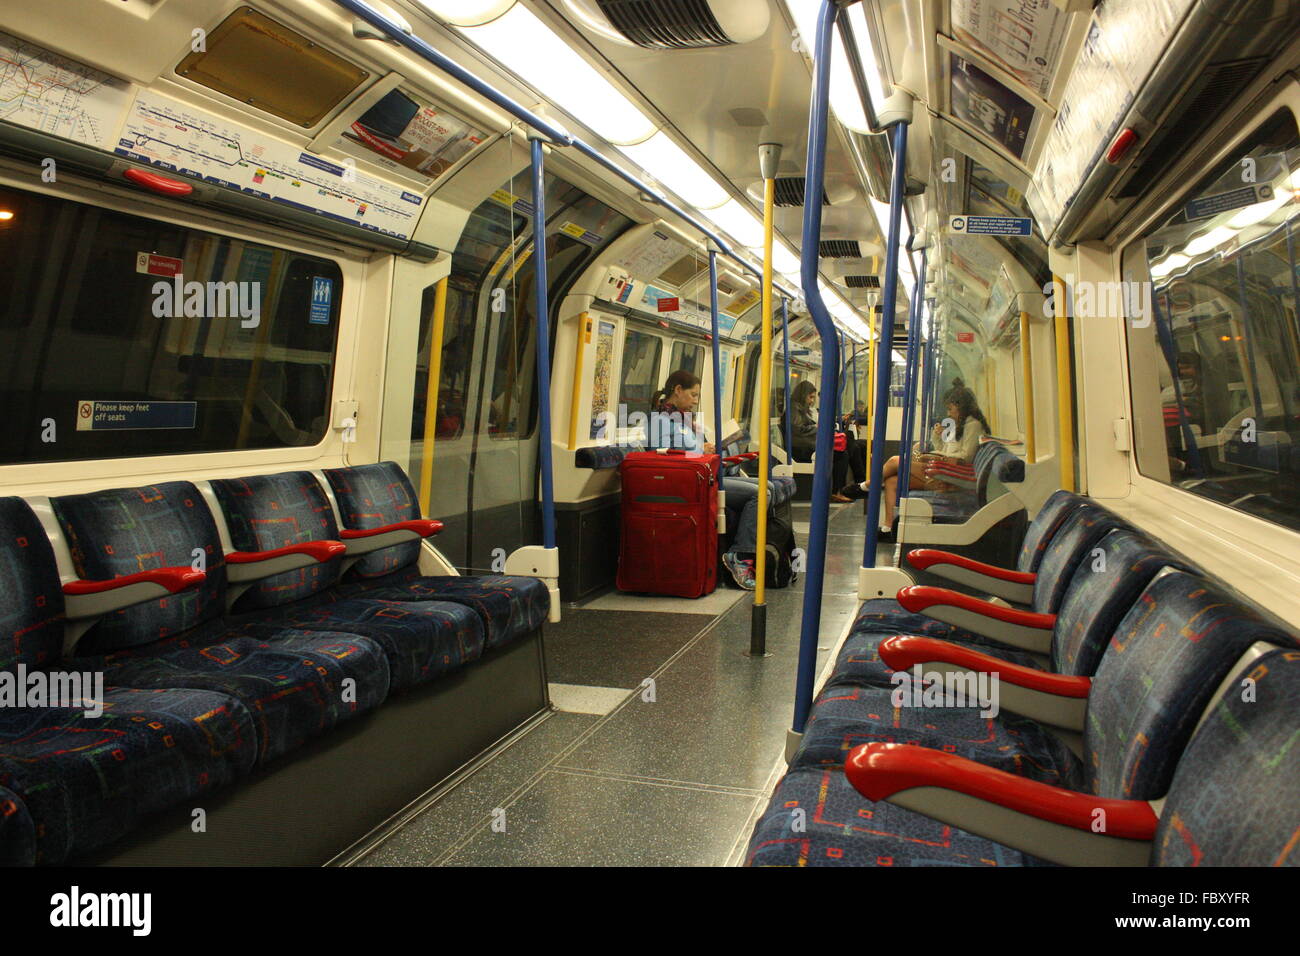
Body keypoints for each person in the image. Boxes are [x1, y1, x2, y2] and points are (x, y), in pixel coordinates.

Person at [647, 370, 760, 590]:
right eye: (693, 395)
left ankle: (754, 552)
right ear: (678, 390)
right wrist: (702, 450)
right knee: (759, 494)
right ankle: (739, 556)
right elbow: (663, 455)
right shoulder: (660, 421)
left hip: (706, 475)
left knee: (768, 488)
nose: (696, 401)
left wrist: (710, 448)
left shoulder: (686, 421)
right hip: (691, 483)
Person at [839, 383, 990, 538]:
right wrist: (937, 437)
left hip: (950, 477)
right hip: (943, 468)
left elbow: (965, 457)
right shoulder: (959, 425)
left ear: (961, 407)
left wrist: (936, 456)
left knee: (894, 461)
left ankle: (866, 486)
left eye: (950, 409)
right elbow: (946, 450)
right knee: (891, 482)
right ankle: (888, 528)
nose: (948, 413)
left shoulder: (973, 426)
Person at [782, 380, 865, 501]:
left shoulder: (802, 409)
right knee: (844, 453)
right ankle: (843, 489)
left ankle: (854, 485)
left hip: (808, 442)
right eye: (810, 397)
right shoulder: (794, 410)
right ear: (802, 395)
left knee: (850, 444)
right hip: (801, 447)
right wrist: (817, 428)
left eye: (813, 398)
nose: (811, 401)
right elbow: (798, 431)